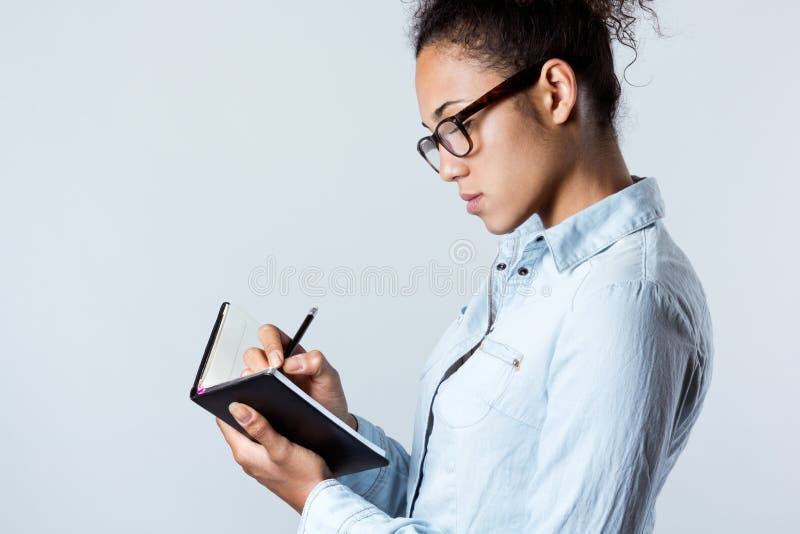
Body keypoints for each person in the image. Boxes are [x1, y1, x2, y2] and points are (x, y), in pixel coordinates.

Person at [215, 0, 714, 532]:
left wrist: (315, 499)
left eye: (457, 124)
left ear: (555, 93)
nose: (448, 167)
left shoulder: (621, 300)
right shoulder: (533, 264)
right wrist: (334, 437)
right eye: (435, 138)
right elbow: (455, 507)